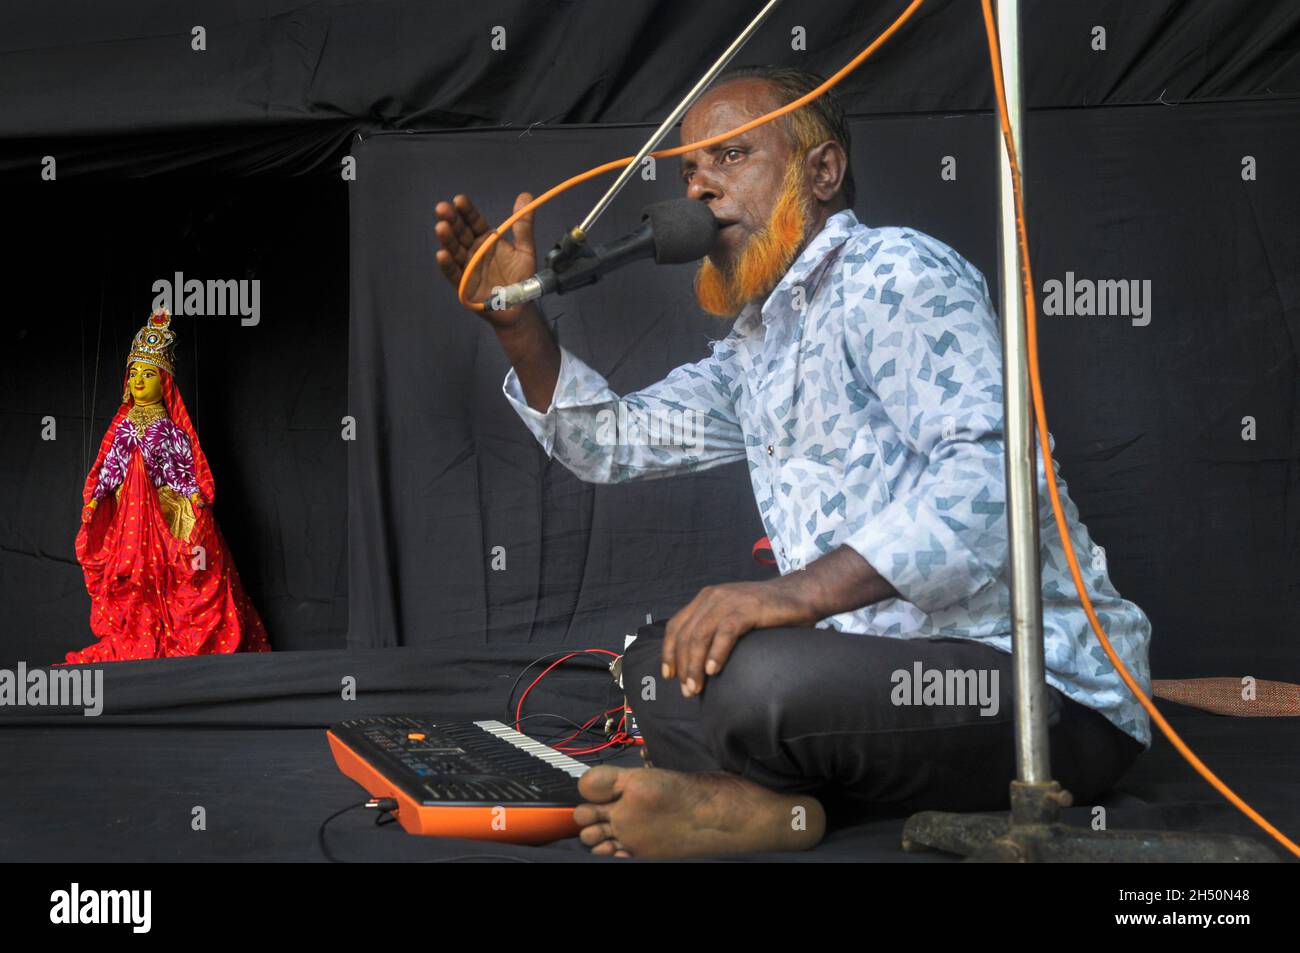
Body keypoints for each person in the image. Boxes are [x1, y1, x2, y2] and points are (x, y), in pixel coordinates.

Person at [434, 65, 1152, 858]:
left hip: (1035, 693)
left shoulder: (894, 271)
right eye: (689, 172)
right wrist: (518, 324)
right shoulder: (756, 347)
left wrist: (798, 593)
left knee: (754, 684)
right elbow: (612, 440)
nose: (700, 187)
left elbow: (994, 479)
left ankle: (759, 798)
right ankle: (783, 813)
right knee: (660, 662)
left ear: (822, 172)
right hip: (873, 680)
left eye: (731, 157)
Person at [69, 308, 271, 663]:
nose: (139, 381)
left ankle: (177, 637)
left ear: (164, 381)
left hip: (167, 509)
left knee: (184, 569)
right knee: (133, 580)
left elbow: (181, 469)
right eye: (134, 374)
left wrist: (192, 494)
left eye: (149, 374)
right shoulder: (121, 426)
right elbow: (110, 467)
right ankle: (141, 634)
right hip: (129, 517)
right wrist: (97, 497)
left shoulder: (170, 429)